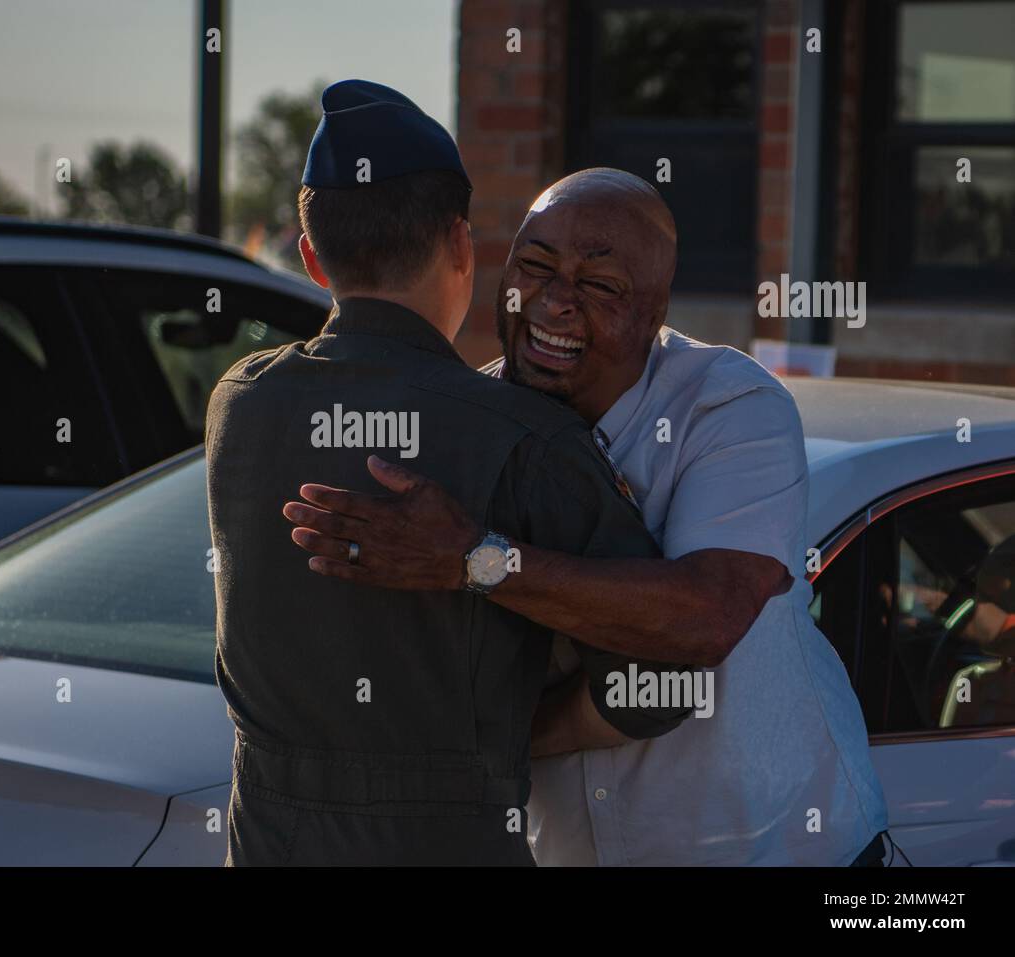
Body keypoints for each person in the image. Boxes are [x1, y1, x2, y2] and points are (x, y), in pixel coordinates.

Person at [282, 167, 891, 866]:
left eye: (600, 287)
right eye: (534, 268)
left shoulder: (729, 406)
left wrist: (475, 561)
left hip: (783, 850)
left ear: (657, 308)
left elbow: (706, 616)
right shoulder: (466, 424)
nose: (555, 302)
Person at [207, 85, 689, 866]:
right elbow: (663, 676)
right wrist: (512, 737)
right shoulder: (528, 438)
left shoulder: (239, 404)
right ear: (462, 246)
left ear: (309, 257)